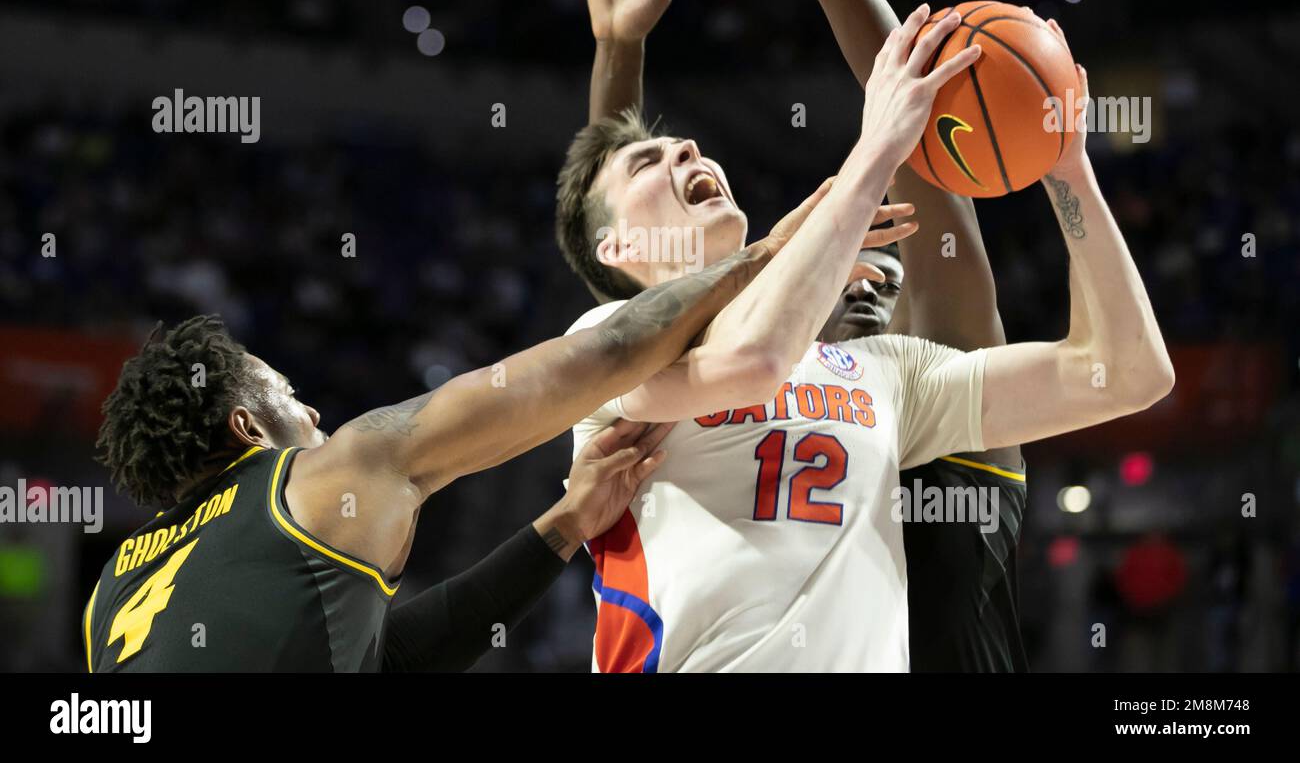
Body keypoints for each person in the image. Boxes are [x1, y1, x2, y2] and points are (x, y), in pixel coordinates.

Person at [554, 0, 1173, 672]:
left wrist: (1062, 161)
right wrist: (622, 54)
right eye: (848, 268)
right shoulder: (649, 360)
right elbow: (625, 255)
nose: (863, 284)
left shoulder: (901, 381)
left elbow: (938, 187)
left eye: (883, 275)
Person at [83, 202, 835, 672]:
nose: (311, 415)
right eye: (289, 395)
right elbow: (600, 356)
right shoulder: (322, 474)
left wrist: (565, 527)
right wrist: (767, 256)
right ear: (246, 427)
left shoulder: (111, 591)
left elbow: (392, 661)